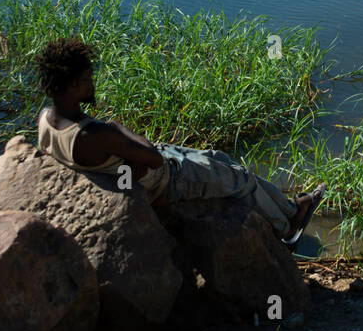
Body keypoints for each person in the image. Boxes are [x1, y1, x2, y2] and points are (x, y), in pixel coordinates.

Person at [33, 36, 323, 249]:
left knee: (221, 157)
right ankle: (286, 231)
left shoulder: (46, 119)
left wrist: (127, 149)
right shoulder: (96, 133)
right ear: (72, 86)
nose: (91, 83)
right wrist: (118, 128)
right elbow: (152, 157)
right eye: (86, 79)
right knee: (241, 179)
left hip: (148, 166)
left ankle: (290, 207)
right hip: (168, 180)